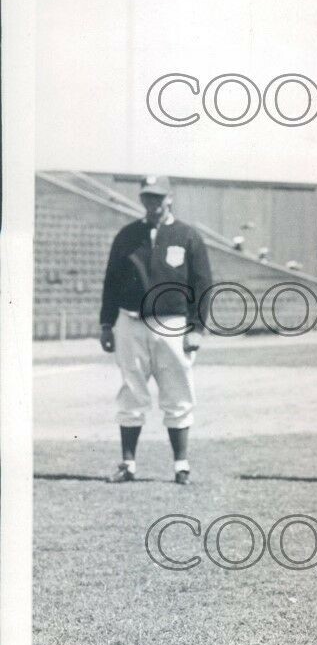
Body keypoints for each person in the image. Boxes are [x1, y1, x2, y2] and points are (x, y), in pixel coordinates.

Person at [99, 175, 212, 485]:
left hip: (172, 323)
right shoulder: (127, 235)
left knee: (178, 391)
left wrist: (197, 327)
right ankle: (128, 464)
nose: (153, 203)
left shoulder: (187, 236)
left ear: (169, 198)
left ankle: (181, 465)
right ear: (142, 199)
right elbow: (111, 282)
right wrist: (106, 323)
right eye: (148, 196)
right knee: (131, 390)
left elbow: (202, 284)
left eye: (158, 197)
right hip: (130, 320)